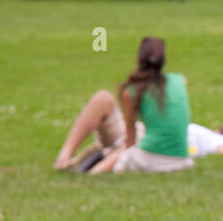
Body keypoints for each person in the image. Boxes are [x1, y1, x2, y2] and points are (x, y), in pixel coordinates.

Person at [56, 37, 193, 174]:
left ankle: (86, 169)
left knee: (128, 147)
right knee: (103, 100)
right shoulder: (180, 80)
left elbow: (130, 140)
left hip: (145, 148)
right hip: (179, 156)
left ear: (138, 59)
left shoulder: (132, 91)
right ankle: (73, 162)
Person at [55, 91, 223, 171]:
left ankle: (89, 174)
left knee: (133, 145)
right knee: (103, 99)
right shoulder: (202, 131)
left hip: (149, 142)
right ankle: (65, 157)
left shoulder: (215, 143)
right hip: (138, 131)